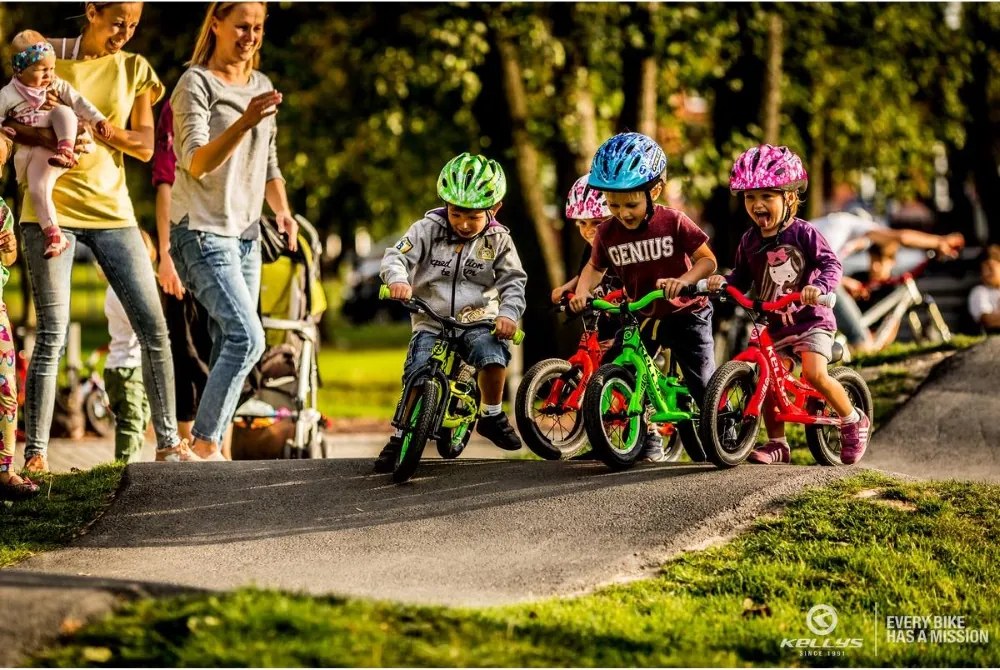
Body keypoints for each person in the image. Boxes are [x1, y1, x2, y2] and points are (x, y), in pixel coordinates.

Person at [4, 2, 193, 473]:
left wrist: (97, 129)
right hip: (49, 210)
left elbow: (146, 147)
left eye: (133, 24)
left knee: (153, 325)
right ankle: (36, 455)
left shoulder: (134, 68)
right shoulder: (44, 56)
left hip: (113, 210)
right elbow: (7, 122)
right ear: (91, 10)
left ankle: (169, 441)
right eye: (117, 22)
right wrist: (49, 138)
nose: (125, 33)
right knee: (52, 331)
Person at [168, 1, 297, 462]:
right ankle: (204, 444)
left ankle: (208, 449)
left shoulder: (261, 85)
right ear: (217, 24)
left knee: (230, 340)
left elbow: (270, 164)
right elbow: (196, 162)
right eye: (242, 25)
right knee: (249, 337)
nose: (250, 35)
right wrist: (244, 120)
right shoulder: (194, 84)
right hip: (199, 230)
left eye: (258, 27)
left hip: (244, 234)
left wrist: (282, 212)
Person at [704, 144, 869, 465]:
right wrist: (722, 283)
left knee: (814, 373)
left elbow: (830, 265)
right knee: (766, 377)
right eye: (750, 198)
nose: (756, 205)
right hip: (775, 324)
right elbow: (740, 277)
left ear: (790, 198)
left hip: (811, 322)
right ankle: (778, 443)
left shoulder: (803, 233)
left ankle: (853, 420)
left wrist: (817, 287)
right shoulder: (750, 240)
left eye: (766, 196)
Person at [374, 152, 528, 472]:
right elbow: (395, 257)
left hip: (478, 318)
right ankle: (401, 433)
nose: (463, 224)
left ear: (494, 209)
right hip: (431, 316)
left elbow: (513, 282)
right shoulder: (427, 229)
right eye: (456, 214)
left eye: (473, 216)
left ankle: (492, 414)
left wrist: (508, 315)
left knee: (492, 353)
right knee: (418, 366)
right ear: (446, 205)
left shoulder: (498, 240)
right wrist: (399, 280)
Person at [569, 132, 716, 463]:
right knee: (616, 368)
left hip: (687, 312)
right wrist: (581, 292)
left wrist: (685, 280)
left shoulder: (673, 221)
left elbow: (708, 260)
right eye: (613, 204)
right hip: (643, 313)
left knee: (703, 381)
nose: (622, 213)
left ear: (655, 191)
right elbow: (594, 268)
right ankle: (627, 438)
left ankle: (725, 431)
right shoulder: (607, 232)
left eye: (631, 204)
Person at [152, 98, 232, 458]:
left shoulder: (238, 106)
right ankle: (190, 451)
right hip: (187, 247)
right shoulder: (180, 107)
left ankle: (219, 450)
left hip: (227, 247)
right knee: (184, 352)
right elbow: (165, 184)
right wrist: (167, 254)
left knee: (228, 347)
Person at [0, 30, 113, 258]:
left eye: (52, 69)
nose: (49, 75)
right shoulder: (8, 94)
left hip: (60, 141)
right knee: (37, 189)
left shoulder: (54, 86)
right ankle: (54, 235)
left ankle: (66, 149)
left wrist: (98, 119)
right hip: (35, 153)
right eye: (42, 70)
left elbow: (78, 101)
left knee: (63, 111)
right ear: (20, 70)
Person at [811, 208, 964, 355]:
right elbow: (901, 237)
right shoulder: (849, 223)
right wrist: (939, 241)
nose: (864, 247)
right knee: (861, 340)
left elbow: (814, 266)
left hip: (796, 279)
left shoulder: (825, 227)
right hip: (812, 283)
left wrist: (843, 281)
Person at [0, 135, 39, 500]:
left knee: (7, 392)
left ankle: (4, 469)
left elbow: (8, 260)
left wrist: (9, 248)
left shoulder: (2, 211)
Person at [549, 173, 620, 355]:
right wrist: (567, 288)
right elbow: (585, 275)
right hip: (603, 324)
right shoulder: (592, 249)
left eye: (597, 223)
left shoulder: (623, 247)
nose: (589, 231)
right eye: (582, 223)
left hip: (629, 325)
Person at [103, 230, 156, 463]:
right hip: (125, 369)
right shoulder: (120, 290)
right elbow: (140, 324)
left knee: (140, 420)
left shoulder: (126, 287)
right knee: (131, 424)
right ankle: (123, 471)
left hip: (132, 367)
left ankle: (128, 468)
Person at [968, 252, 1000, 334]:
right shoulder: (980, 292)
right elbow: (988, 321)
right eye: (983, 269)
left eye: (990, 267)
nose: (986, 273)